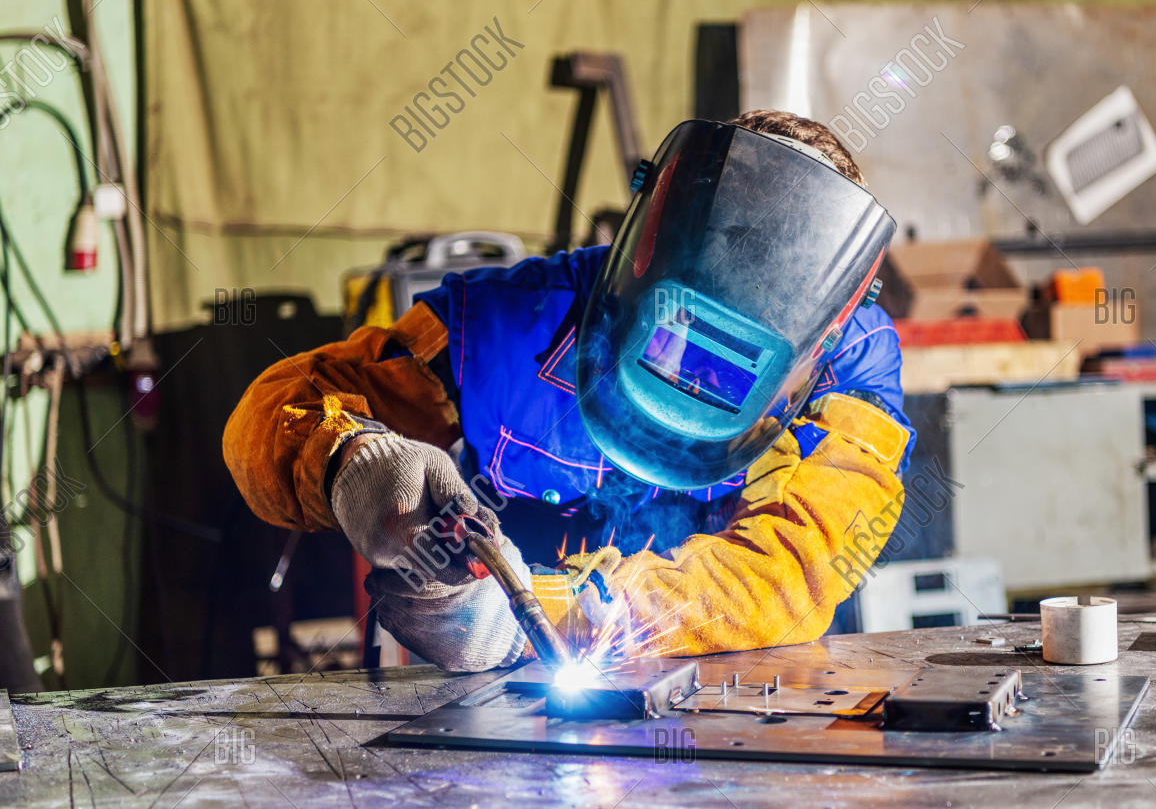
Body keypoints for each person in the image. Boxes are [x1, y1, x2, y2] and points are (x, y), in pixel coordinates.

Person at [223, 110, 912, 670]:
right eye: (676, 340)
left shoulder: (854, 377)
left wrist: (552, 610)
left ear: (822, 333)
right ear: (651, 255)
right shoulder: (516, 322)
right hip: (517, 694)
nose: (692, 383)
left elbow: (791, 573)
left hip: (735, 688)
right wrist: (352, 461)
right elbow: (271, 413)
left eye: (729, 373)